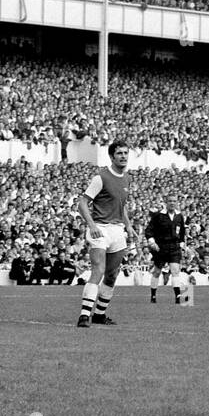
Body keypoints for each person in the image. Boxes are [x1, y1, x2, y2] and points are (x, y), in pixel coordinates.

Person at [75, 139, 135, 326]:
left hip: (117, 230)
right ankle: (84, 315)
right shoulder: (100, 177)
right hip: (100, 228)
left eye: (125, 153)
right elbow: (82, 203)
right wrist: (92, 226)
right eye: (119, 153)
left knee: (112, 274)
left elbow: (121, 206)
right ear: (111, 156)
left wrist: (129, 225)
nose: (123, 156)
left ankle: (99, 315)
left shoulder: (127, 178)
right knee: (98, 270)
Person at [145, 199, 189, 305]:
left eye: (174, 201)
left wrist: (183, 245)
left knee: (175, 271)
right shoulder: (159, 216)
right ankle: (153, 296)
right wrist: (152, 243)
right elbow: (149, 230)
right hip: (161, 247)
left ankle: (177, 297)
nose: (172, 203)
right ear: (166, 203)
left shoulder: (179, 216)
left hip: (174, 247)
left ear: (176, 203)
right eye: (170, 201)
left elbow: (182, 233)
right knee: (157, 272)